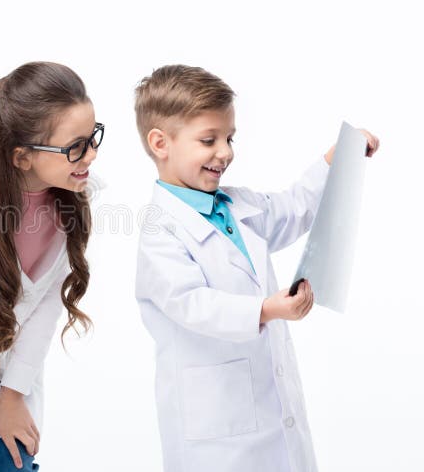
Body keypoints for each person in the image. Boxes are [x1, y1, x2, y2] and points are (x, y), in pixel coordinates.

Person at [133, 64, 379, 472]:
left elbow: (292, 209)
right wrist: (266, 310)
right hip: (215, 434)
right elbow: (192, 304)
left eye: (229, 138)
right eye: (208, 140)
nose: (225, 152)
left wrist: (334, 160)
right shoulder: (161, 232)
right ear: (161, 143)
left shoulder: (236, 205)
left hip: (268, 411)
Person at [0, 61, 103, 471]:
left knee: (11, 461)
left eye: (94, 137)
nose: (91, 155)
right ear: (22, 157)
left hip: (11, 380)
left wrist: (11, 395)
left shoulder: (74, 195)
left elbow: (46, 305)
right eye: (75, 147)